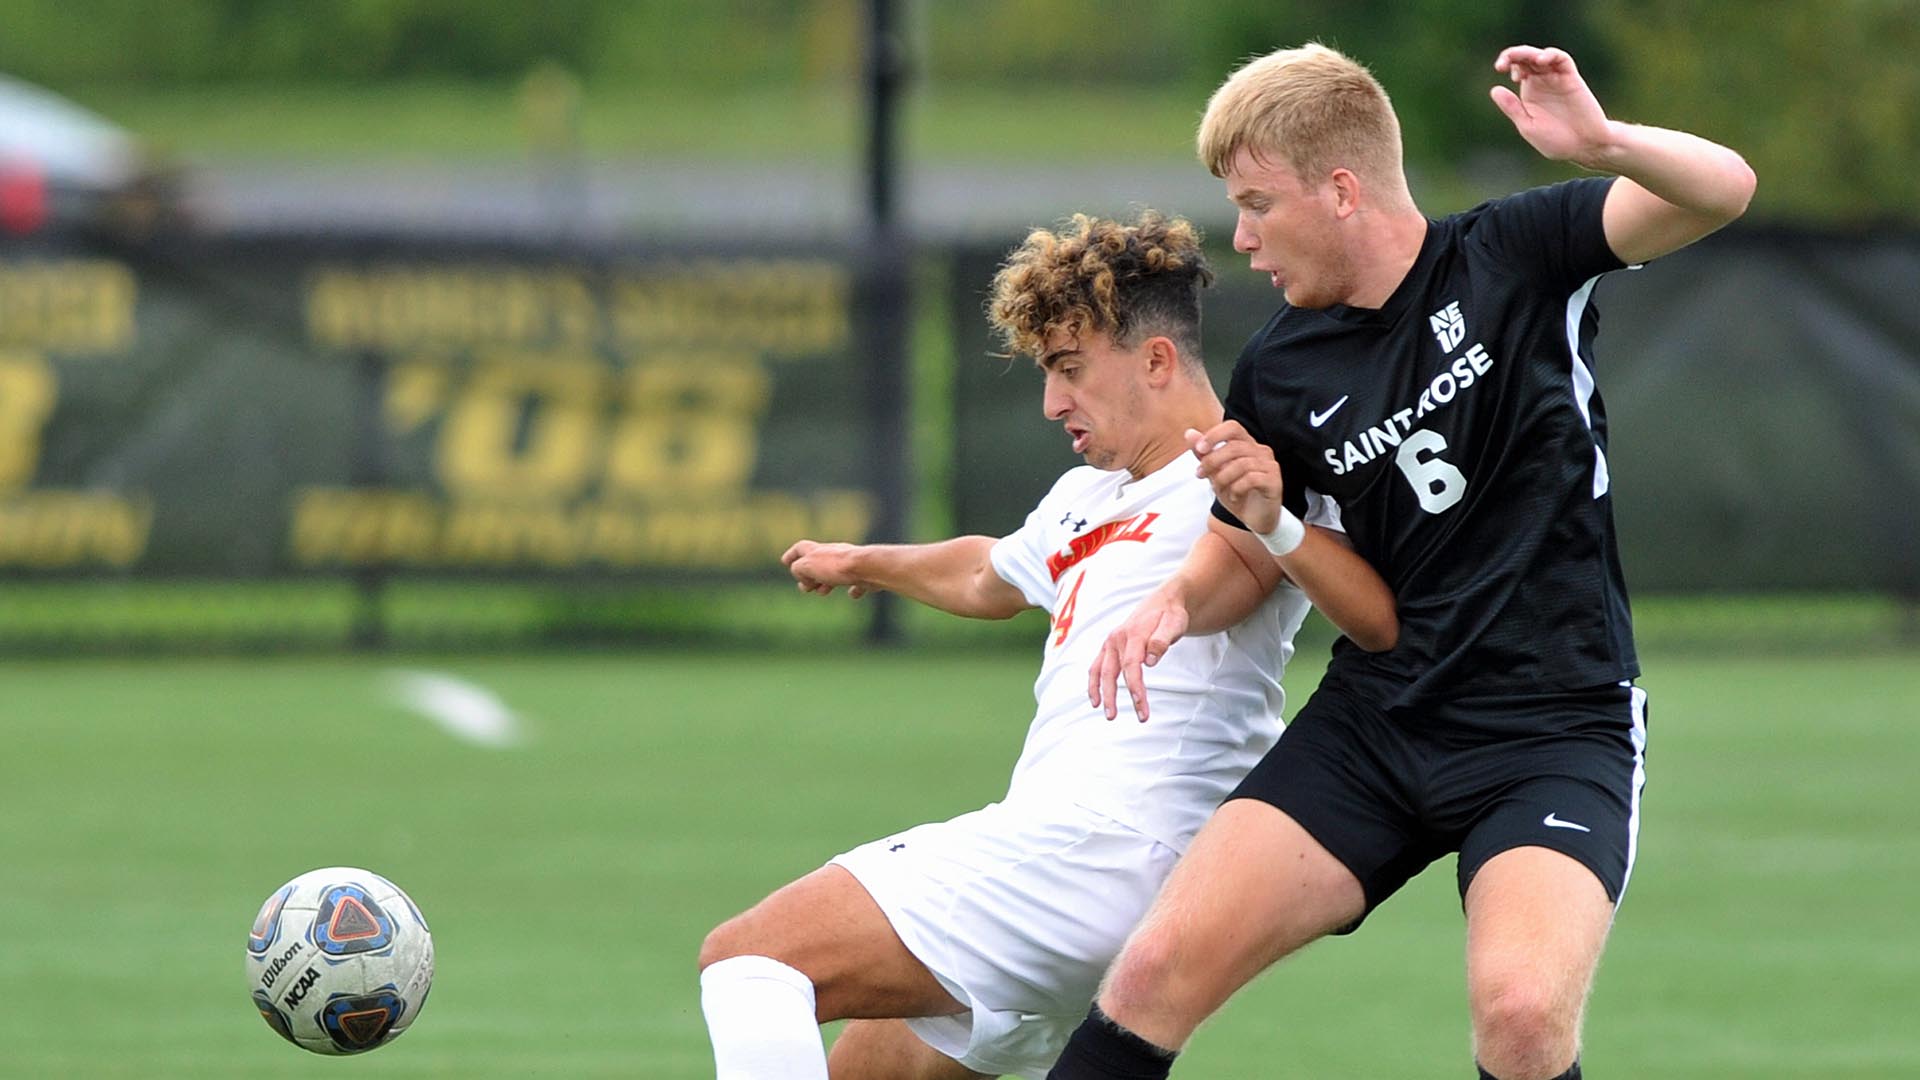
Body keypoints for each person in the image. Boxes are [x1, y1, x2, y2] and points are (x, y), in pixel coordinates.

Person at [1047, 45, 1755, 1080]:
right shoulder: (1281, 366)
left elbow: (1724, 191)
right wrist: (1172, 607)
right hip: (1377, 725)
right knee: (1152, 970)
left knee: (1519, 1018)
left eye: (1257, 204)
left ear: (1340, 189)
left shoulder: (1514, 253)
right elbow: (1246, 550)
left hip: (1553, 725)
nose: (1241, 240)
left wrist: (1604, 144)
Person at [697, 210, 1400, 1080]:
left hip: (1105, 851)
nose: (1051, 401)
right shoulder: (1087, 493)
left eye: (1069, 369)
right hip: (1065, 866)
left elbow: (1326, 578)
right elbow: (989, 575)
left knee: (749, 962)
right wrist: (868, 562)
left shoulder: (1242, 470)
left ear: (1156, 359)